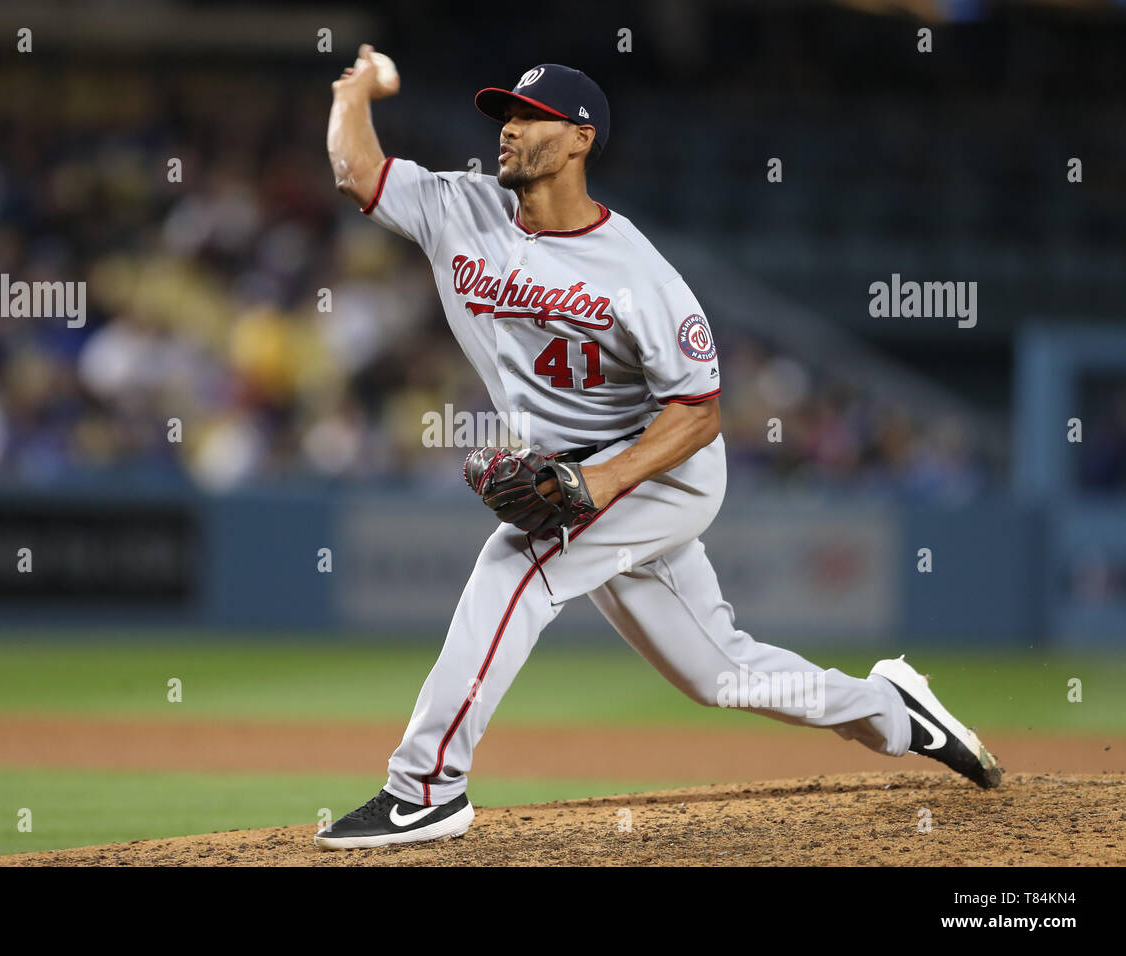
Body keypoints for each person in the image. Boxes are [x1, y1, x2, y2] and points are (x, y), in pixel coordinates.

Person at [316, 46, 1000, 850]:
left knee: (515, 567)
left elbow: (700, 412)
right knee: (721, 673)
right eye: (502, 115)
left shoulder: (638, 271)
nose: (507, 129)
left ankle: (426, 788)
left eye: (527, 117)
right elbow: (354, 170)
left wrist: (602, 482)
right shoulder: (457, 207)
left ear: (579, 139)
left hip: (660, 469)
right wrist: (355, 88)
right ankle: (893, 709)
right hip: (572, 473)